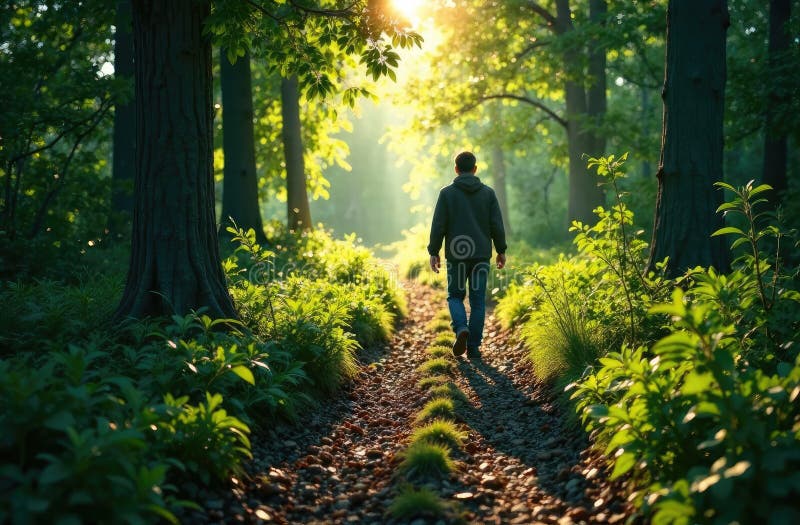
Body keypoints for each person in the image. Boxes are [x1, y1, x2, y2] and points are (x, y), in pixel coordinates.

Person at [427, 151, 507, 359]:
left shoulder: (447, 194)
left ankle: (461, 327)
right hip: (481, 255)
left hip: (456, 256)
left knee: (455, 296)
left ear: (456, 169)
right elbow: (496, 225)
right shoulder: (488, 193)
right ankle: (473, 347)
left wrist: (434, 251)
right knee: (478, 301)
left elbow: (438, 225)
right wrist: (501, 250)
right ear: (475, 169)